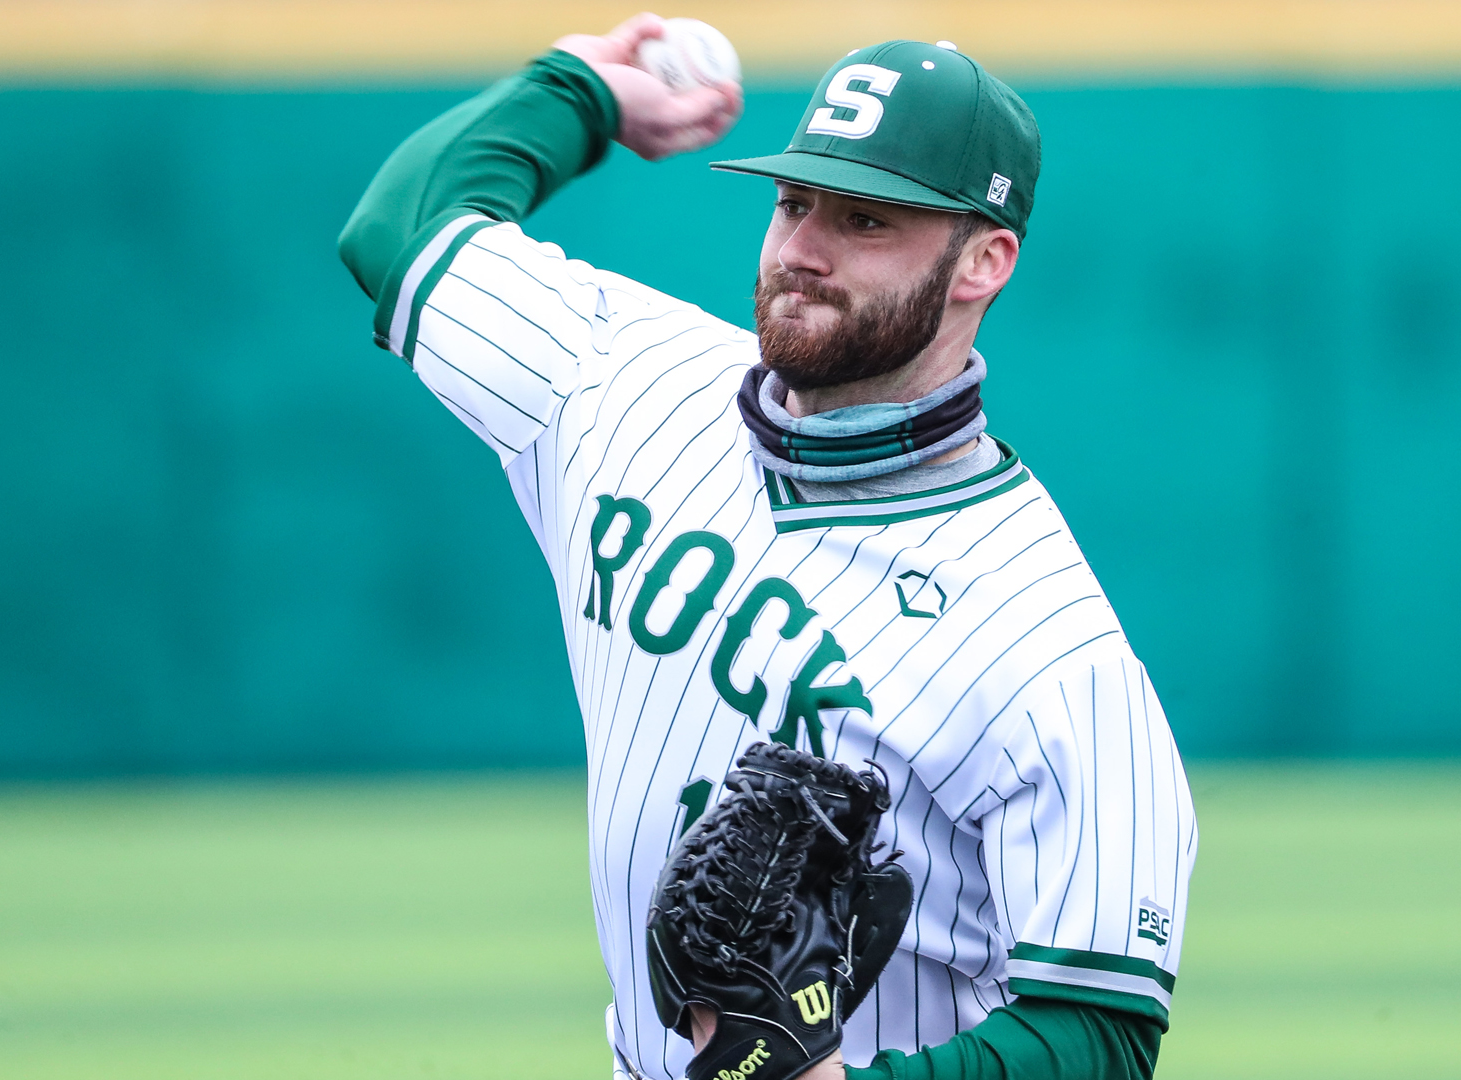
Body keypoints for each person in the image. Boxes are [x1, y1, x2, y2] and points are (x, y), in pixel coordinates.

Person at [338, 15, 1196, 1079]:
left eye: (866, 219)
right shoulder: (617, 377)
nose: (801, 249)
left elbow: (1099, 1033)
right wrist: (576, 94)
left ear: (985, 261)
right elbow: (400, 231)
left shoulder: (1047, 638)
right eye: (794, 201)